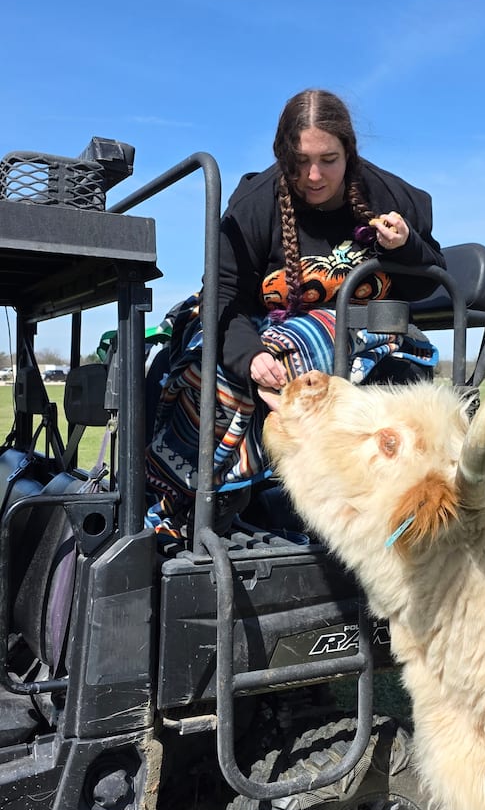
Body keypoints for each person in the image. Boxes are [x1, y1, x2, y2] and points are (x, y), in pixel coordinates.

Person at [145, 89, 446, 541]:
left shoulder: (390, 195)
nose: (314, 175)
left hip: (368, 335)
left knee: (286, 348)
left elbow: (428, 282)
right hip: (262, 324)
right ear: (282, 155)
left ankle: (213, 504)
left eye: (329, 159)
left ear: (350, 153)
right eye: (300, 160)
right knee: (177, 358)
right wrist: (247, 355)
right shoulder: (254, 205)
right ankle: (176, 501)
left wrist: (406, 247)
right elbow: (222, 293)